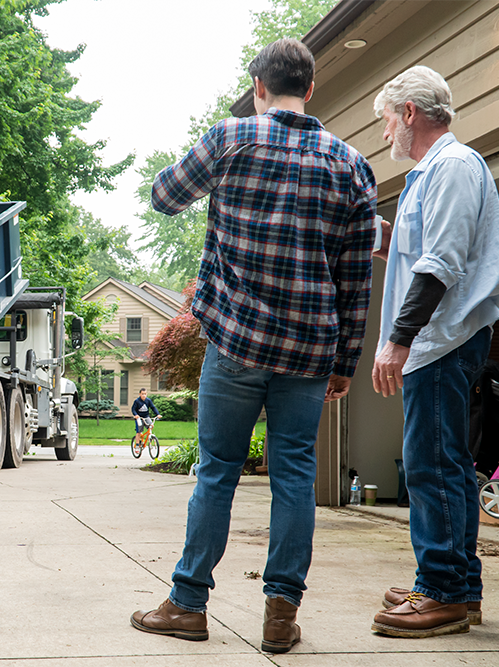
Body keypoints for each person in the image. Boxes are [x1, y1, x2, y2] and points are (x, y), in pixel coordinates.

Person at [129, 38, 376, 654]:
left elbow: (163, 197)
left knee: (216, 473)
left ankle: (188, 604)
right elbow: (356, 274)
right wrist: (344, 362)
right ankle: (280, 615)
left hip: (235, 342)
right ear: (310, 90)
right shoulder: (349, 163)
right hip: (308, 352)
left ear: (258, 87)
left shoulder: (230, 138)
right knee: (294, 474)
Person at [369, 66, 499, 638]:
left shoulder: (451, 167)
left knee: (431, 464)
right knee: (442, 460)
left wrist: (398, 340)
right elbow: (415, 253)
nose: (384, 136)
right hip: (442, 337)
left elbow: (441, 265)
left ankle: (443, 591)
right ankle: (455, 585)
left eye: (385, 122)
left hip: (441, 338)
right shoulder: (434, 174)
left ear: (408, 114)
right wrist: (370, 233)